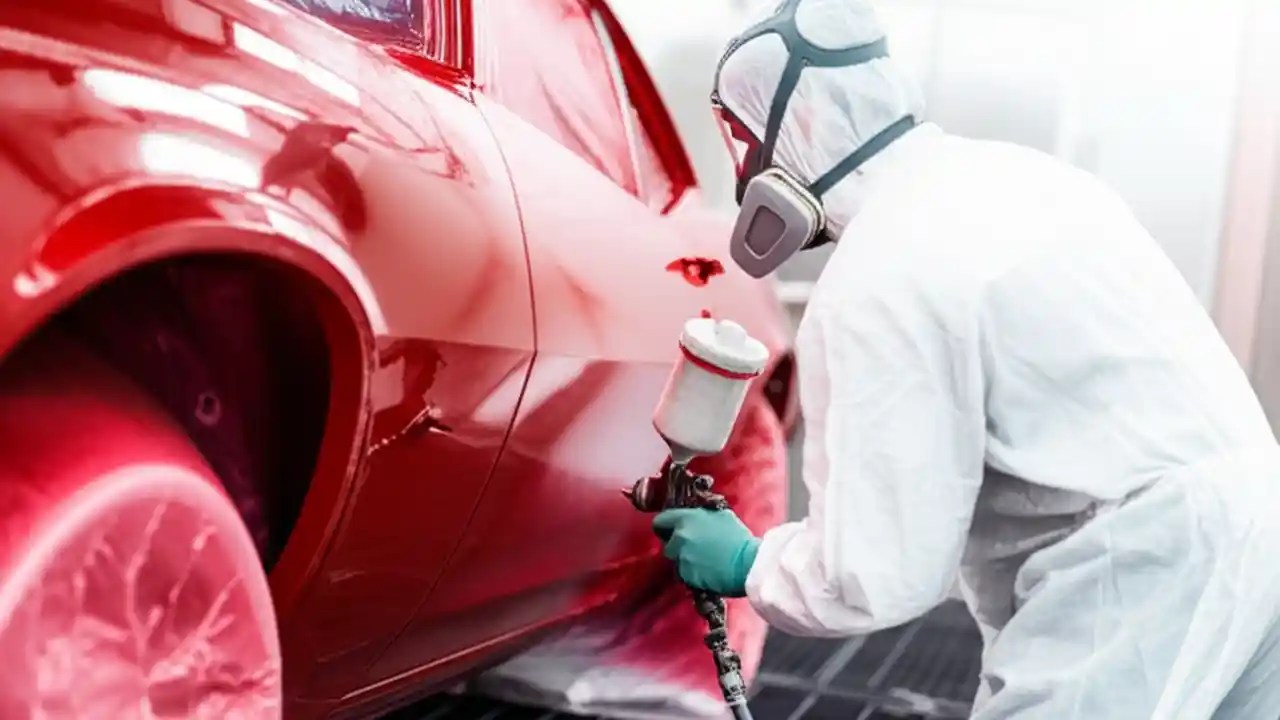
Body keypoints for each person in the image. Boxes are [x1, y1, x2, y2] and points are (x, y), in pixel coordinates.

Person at [651, 0, 1280, 717]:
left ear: (806, 123)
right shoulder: (1015, 177)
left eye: (745, 139)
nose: (746, 173)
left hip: (1135, 571)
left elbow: (876, 570)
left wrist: (750, 563)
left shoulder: (879, 270)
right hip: (1256, 521)